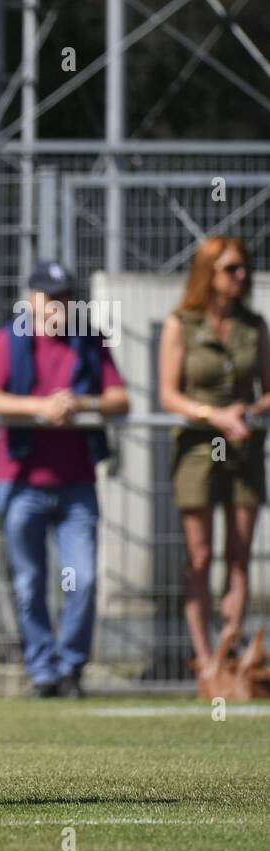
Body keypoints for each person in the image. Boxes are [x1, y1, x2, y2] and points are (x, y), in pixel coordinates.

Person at [0, 261, 130, 698]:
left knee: (82, 579)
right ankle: (43, 673)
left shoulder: (90, 339)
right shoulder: (12, 338)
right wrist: (40, 408)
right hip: (20, 482)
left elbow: (121, 400)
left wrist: (80, 403)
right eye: (48, 297)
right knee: (29, 582)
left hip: (77, 483)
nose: (57, 306)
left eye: (64, 296)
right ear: (31, 300)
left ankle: (71, 668)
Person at [158, 237, 270, 676]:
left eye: (245, 268)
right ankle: (204, 660)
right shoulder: (181, 324)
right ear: (209, 273)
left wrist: (250, 411)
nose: (242, 276)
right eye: (232, 269)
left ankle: (233, 654)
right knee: (200, 557)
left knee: (239, 554)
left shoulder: (254, 325)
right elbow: (169, 394)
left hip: (244, 445)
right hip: (198, 448)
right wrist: (214, 414)